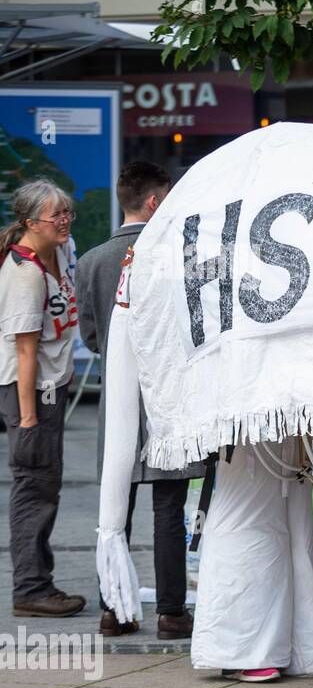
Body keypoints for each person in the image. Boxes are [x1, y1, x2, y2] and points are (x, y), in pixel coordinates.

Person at [76, 161, 205, 639]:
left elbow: (91, 338)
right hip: (169, 398)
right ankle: (172, 612)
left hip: (119, 404)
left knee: (116, 507)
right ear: (154, 202)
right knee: (169, 510)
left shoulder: (90, 262)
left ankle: (115, 608)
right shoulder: (178, 256)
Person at [0, 180, 85, 618]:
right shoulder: (24, 273)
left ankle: (38, 583)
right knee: (34, 486)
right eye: (56, 215)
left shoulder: (62, 251)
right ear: (31, 221)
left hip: (52, 384)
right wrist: (29, 419)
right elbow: (24, 350)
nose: (65, 220)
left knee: (45, 484)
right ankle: (31, 589)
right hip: (29, 391)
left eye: (67, 211)